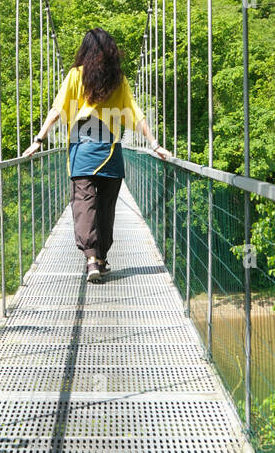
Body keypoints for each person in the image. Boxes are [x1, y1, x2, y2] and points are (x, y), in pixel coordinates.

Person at [21, 28, 171, 281]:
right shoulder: (118, 80)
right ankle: (101, 258)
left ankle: (91, 259)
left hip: (82, 151)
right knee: (105, 207)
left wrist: (39, 139)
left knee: (84, 204)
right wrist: (154, 144)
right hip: (111, 152)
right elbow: (134, 113)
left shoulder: (75, 76)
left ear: (85, 50)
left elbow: (57, 110)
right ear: (112, 51)